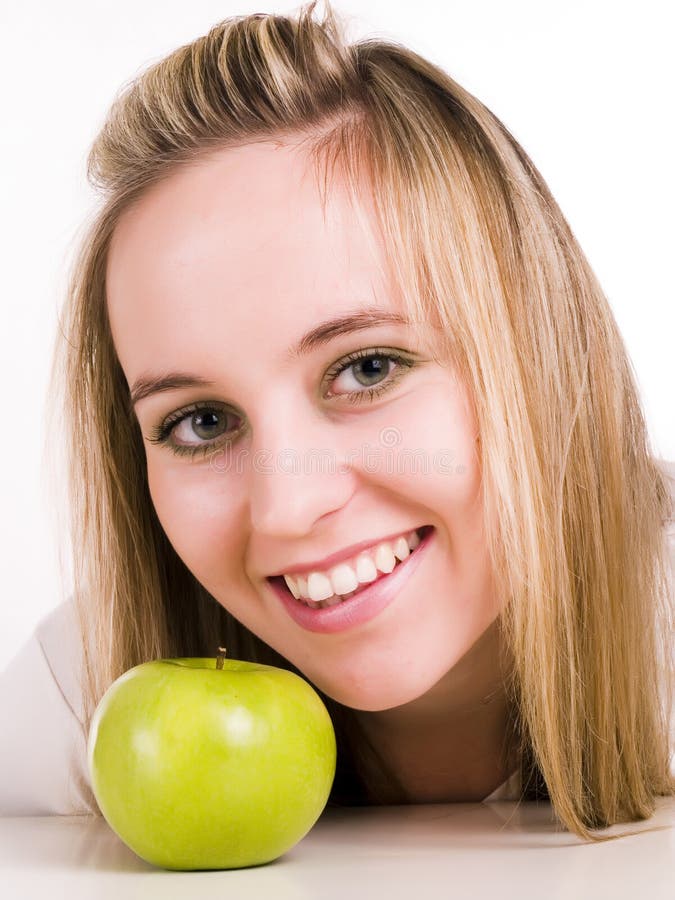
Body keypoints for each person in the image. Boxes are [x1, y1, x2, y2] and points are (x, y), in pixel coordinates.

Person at [1, 1, 674, 844]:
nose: (287, 510)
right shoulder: (74, 709)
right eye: (202, 422)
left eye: (368, 369)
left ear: (540, 349)